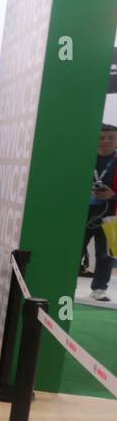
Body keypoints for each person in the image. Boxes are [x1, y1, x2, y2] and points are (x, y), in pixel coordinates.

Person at [84, 124, 117, 301]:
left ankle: (99, 289)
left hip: (112, 215)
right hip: (82, 214)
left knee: (106, 253)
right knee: (74, 250)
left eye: (111, 137)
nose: (105, 141)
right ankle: (66, 281)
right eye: (101, 137)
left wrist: (113, 195)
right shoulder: (84, 158)